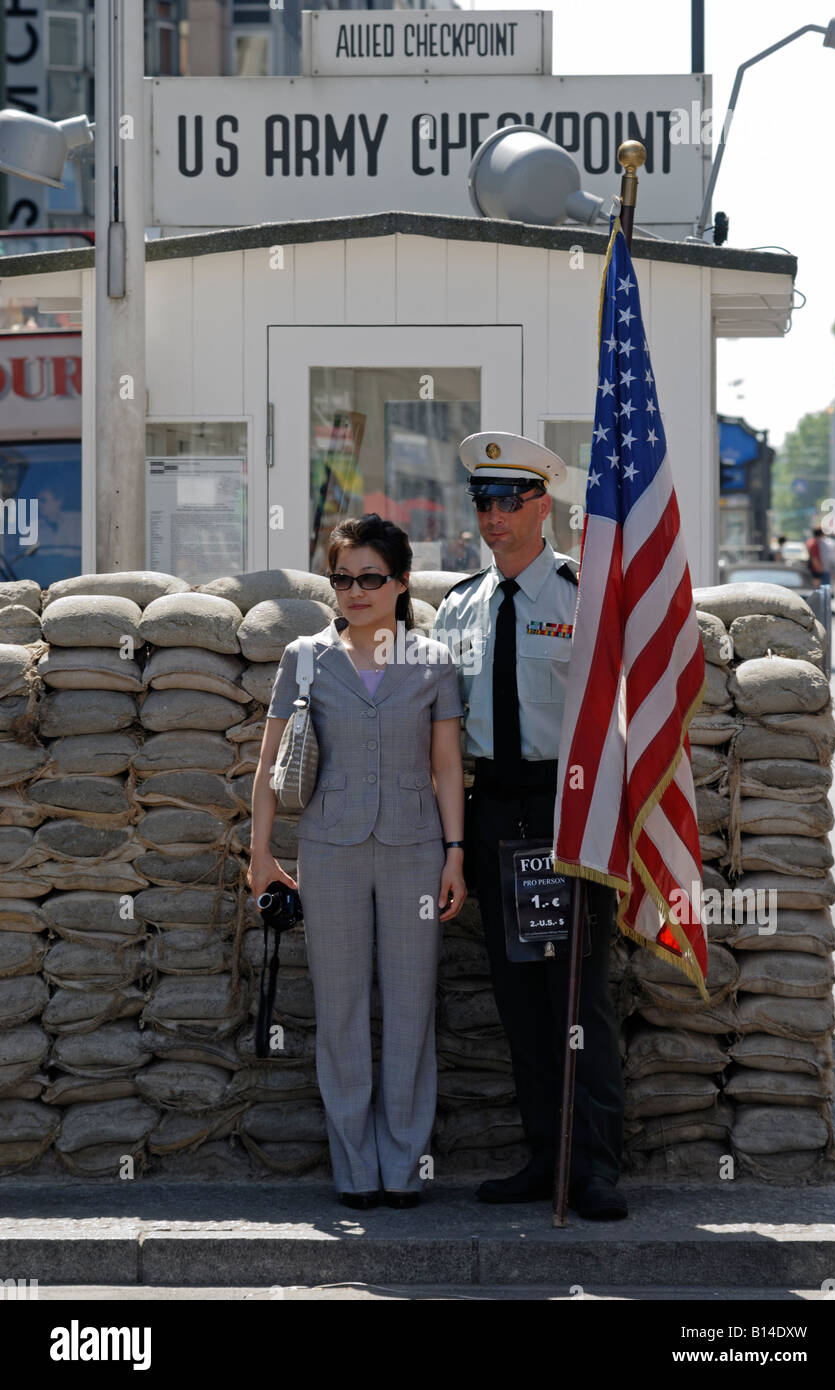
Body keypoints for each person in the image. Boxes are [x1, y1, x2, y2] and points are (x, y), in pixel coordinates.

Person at [433, 432, 626, 1220]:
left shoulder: (581, 596)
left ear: (542, 506)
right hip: (494, 811)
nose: (492, 517)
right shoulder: (459, 606)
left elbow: (616, 716)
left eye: (507, 502)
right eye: (481, 502)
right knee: (517, 998)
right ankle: (543, 1157)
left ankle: (594, 1168)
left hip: (568, 807)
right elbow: (443, 726)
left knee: (580, 997)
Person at [249, 514, 466, 1210]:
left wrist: (454, 855)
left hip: (413, 853)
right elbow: (268, 767)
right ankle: (354, 1168)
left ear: (400, 583)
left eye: (370, 578)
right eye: (341, 578)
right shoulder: (303, 658)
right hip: (330, 852)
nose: (354, 591)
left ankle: (404, 1165)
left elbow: (445, 768)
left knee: (409, 1009)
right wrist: (260, 856)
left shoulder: (432, 661)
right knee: (339, 1009)